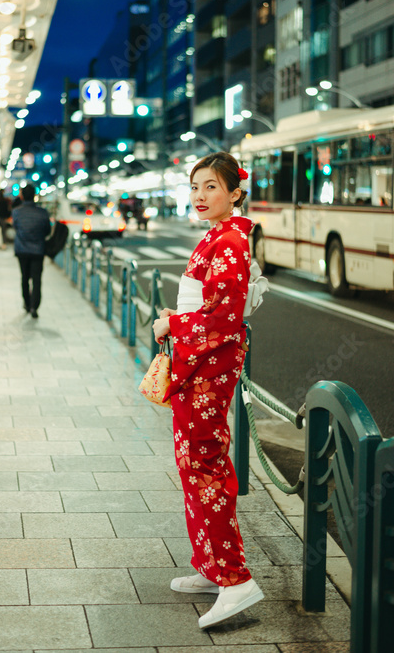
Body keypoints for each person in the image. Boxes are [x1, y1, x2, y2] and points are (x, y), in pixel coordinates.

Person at [151, 152, 264, 629]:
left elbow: (223, 316)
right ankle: (212, 566)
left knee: (205, 467)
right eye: (195, 186)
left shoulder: (232, 241)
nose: (200, 195)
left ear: (235, 192)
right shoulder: (218, 237)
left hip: (208, 373)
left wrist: (171, 321)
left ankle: (236, 580)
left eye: (211, 187)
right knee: (196, 467)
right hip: (197, 368)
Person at [11, 184, 52, 318]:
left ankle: (27, 303)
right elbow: (47, 231)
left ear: (22, 196)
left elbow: (16, 227)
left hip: (22, 249)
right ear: (34, 196)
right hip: (38, 250)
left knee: (24, 277)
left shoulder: (16, 212)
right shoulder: (43, 213)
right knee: (37, 279)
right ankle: (35, 306)